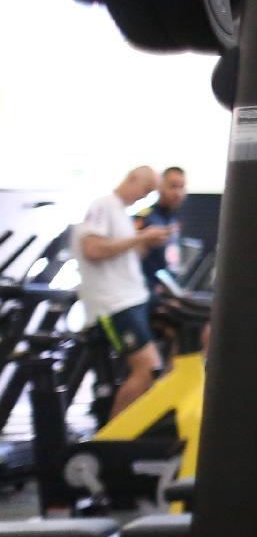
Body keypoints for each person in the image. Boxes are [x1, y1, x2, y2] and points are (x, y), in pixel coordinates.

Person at [75, 166, 170, 419]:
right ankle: (113, 438)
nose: (145, 196)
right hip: (115, 304)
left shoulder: (122, 213)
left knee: (190, 328)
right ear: (132, 179)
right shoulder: (103, 205)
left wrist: (145, 241)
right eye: (146, 189)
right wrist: (140, 238)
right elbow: (92, 249)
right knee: (149, 368)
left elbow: (123, 252)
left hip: (135, 297)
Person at [135, 165, 188, 288]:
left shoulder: (174, 218)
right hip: (148, 293)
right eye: (173, 186)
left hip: (169, 288)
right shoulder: (144, 218)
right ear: (159, 186)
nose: (178, 193)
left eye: (182, 187)